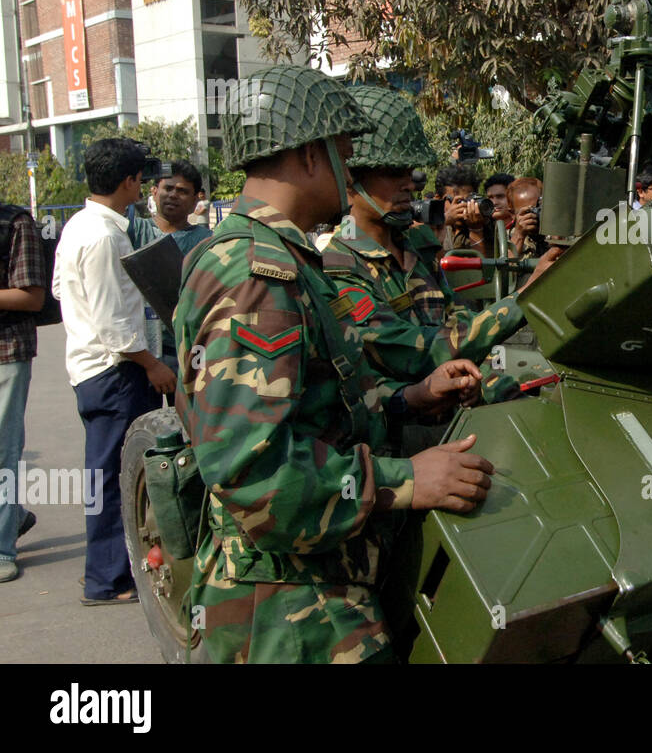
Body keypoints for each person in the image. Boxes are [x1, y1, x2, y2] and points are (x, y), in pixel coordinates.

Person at [173, 65, 493, 663]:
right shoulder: (256, 274)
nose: (351, 174)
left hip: (316, 588)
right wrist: (406, 481)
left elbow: (315, 407)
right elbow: (250, 470)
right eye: (345, 155)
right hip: (285, 613)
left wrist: (410, 397)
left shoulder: (279, 259)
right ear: (310, 155)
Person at [322, 86, 550, 407]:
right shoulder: (338, 266)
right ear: (350, 179)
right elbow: (416, 353)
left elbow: (455, 313)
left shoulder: (416, 242)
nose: (408, 184)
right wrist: (527, 296)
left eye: (409, 172)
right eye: (391, 173)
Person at [53, 138, 174, 606]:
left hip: (90, 368)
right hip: (115, 371)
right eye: (141, 178)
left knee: (104, 475)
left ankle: (106, 571)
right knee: (114, 477)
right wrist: (150, 363)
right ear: (129, 181)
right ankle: (108, 578)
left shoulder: (78, 225)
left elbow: (63, 291)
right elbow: (113, 322)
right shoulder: (105, 234)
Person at [127, 159, 213, 391]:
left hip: (188, 351)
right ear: (154, 192)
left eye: (183, 191)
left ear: (197, 199)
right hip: (142, 353)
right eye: (168, 188)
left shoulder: (206, 241)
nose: (173, 195)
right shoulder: (133, 230)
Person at [0, 202, 45, 583]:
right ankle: (12, 516)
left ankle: (1, 549)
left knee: (3, 451)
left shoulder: (15, 224)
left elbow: (32, 297)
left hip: (6, 352)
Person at [440, 163, 494, 255]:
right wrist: (443, 221)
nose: (461, 207)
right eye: (457, 201)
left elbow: (483, 267)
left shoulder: (489, 229)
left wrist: (476, 230)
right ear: (442, 200)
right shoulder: (437, 229)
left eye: (466, 201)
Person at [507, 176, 547, 260]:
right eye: (529, 211)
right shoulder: (504, 239)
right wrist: (519, 235)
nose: (536, 214)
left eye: (539, 208)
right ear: (513, 214)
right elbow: (504, 269)